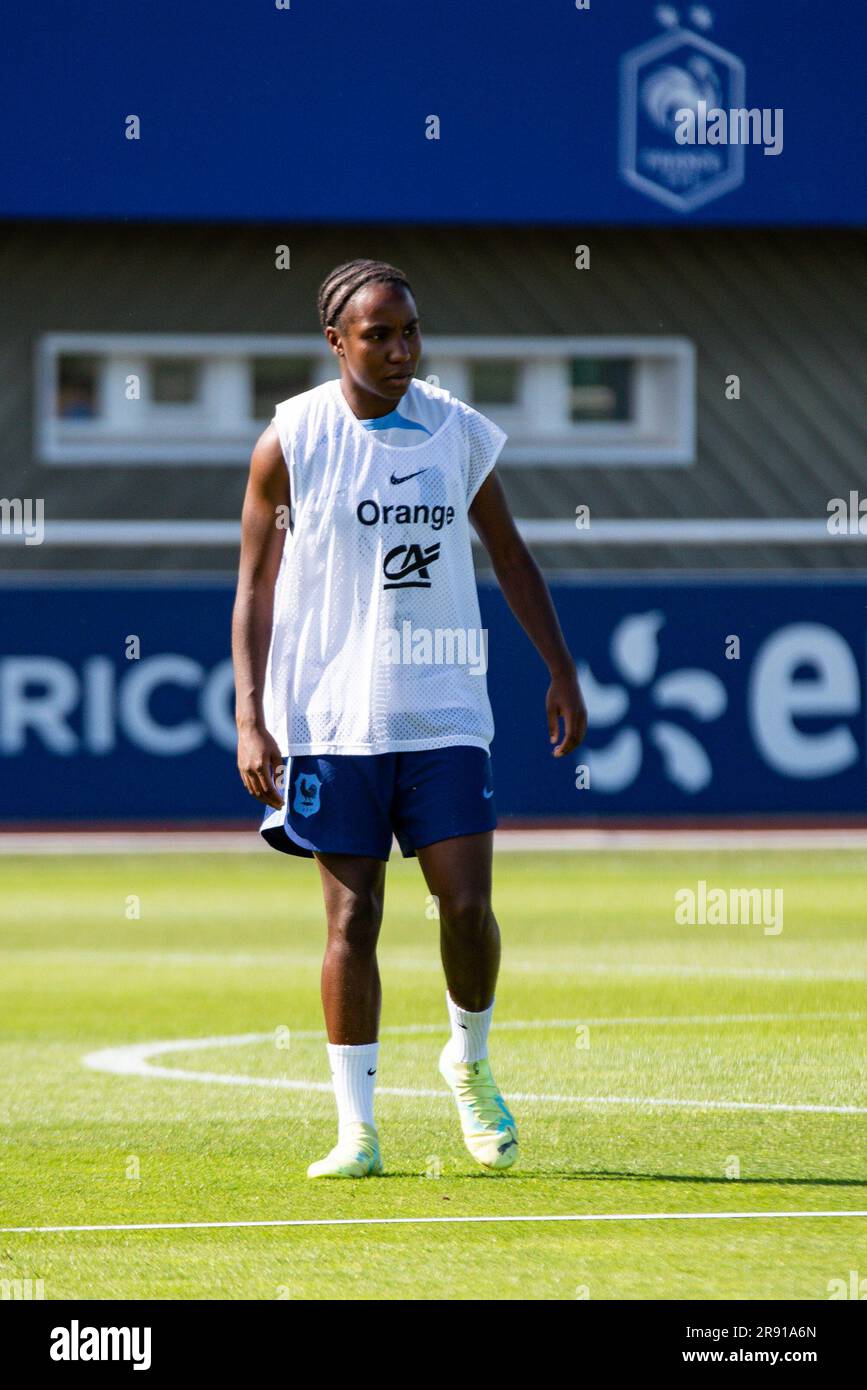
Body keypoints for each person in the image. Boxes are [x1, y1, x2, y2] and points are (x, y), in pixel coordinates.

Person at [232, 258, 587, 1178]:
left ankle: (467, 1062)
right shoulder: (292, 441)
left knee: (465, 907)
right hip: (333, 717)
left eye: (410, 331)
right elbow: (255, 587)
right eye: (379, 334)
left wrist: (559, 667)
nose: (400, 350)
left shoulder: (454, 431)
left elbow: (509, 556)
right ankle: (356, 1130)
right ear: (335, 341)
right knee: (352, 920)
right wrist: (251, 716)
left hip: (443, 707)